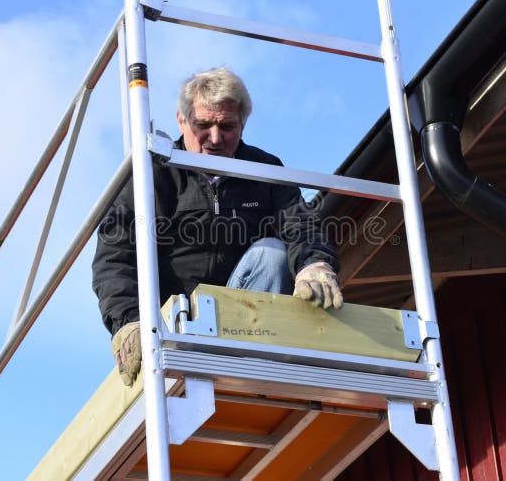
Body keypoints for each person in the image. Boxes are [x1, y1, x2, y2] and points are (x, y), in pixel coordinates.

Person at [92, 67, 343, 385]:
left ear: (243, 124)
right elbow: (115, 254)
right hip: (176, 324)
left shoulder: (263, 169)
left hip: (242, 318)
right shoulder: (151, 175)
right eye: (203, 125)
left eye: (226, 126)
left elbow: (298, 223)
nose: (215, 138)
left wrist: (315, 263)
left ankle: (253, 369)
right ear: (181, 121)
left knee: (272, 254)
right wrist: (129, 321)